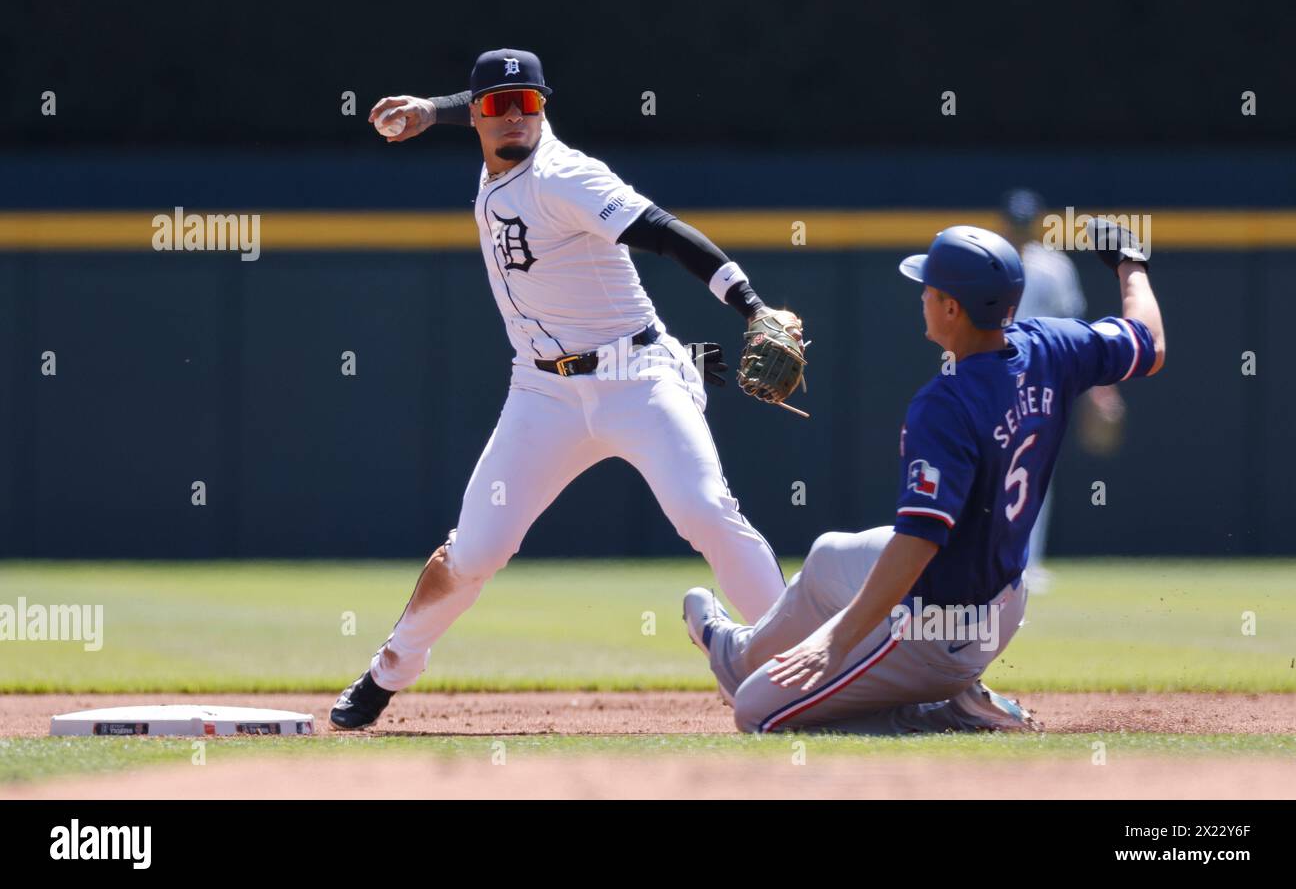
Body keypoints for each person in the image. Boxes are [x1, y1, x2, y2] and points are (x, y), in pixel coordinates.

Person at [330, 48, 804, 730]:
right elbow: (486, 103)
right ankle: (387, 672)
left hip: (636, 375)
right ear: (480, 117)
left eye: (529, 103)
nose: (514, 115)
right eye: (498, 106)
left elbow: (667, 235)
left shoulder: (566, 176)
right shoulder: (499, 139)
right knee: (475, 552)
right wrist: (430, 112)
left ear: (545, 108)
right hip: (541, 393)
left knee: (705, 509)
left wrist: (752, 306)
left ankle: (804, 665)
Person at [683, 220, 1163, 733]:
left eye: (929, 291)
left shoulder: (946, 404)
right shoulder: (1052, 345)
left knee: (758, 714)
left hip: (942, 626)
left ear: (952, 308)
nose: (923, 299)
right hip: (998, 593)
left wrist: (836, 639)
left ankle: (946, 708)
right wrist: (1130, 262)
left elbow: (919, 542)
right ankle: (736, 659)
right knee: (826, 558)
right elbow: (1148, 342)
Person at [1002, 189, 1126, 584]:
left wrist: (1098, 384)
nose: (1020, 229)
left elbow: (1076, 327)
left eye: (1025, 221)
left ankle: (1026, 562)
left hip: (1042, 375)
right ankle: (991, 558)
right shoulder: (989, 260)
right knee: (987, 465)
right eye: (1015, 221)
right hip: (994, 371)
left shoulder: (1053, 267)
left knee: (1035, 465)